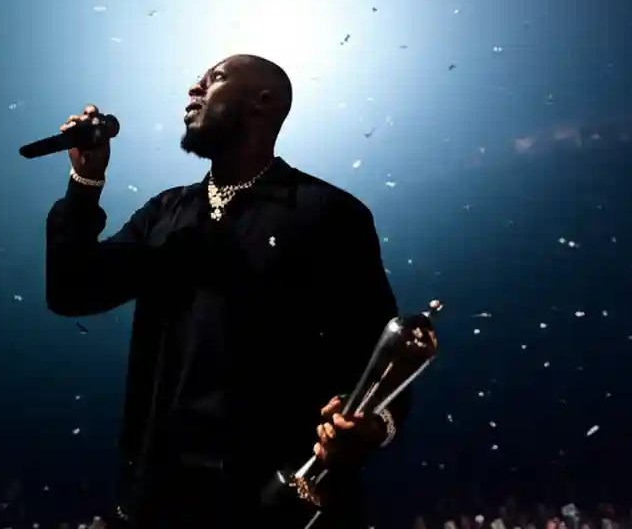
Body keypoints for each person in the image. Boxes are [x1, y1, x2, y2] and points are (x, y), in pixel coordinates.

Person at [45, 54, 413, 528]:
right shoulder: (166, 214)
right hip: (160, 499)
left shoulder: (328, 214)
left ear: (263, 101)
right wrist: (86, 182)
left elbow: (382, 358)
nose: (193, 89)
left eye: (213, 78)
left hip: (275, 502)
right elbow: (72, 292)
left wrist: (369, 428)